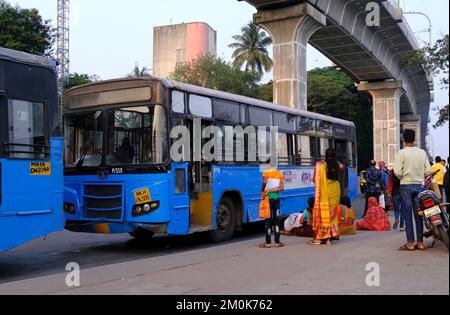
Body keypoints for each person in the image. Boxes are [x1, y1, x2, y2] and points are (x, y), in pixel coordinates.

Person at [394, 129, 432, 251]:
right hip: (419, 186)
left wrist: (404, 176)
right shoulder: (422, 153)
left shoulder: (401, 153)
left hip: (405, 186)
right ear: (414, 139)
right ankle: (420, 243)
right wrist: (420, 176)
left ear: (403, 139)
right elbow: (428, 171)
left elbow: (397, 172)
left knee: (407, 214)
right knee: (418, 214)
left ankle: (410, 243)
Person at [308, 148, 341, 246]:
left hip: (325, 192)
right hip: (336, 190)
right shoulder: (337, 165)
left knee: (324, 215)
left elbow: (314, 179)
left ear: (325, 155)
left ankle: (324, 237)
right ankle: (330, 238)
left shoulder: (320, 166)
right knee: (332, 215)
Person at [260, 160, 285, 249]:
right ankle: (277, 242)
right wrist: (273, 190)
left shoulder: (265, 172)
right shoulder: (279, 174)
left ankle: (268, 243)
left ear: (268, 164)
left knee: (268, 220)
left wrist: (263, 190)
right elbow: (282, 188)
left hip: (268, 199)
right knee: (277, 220)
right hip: (276, 199)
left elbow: (265, 182)